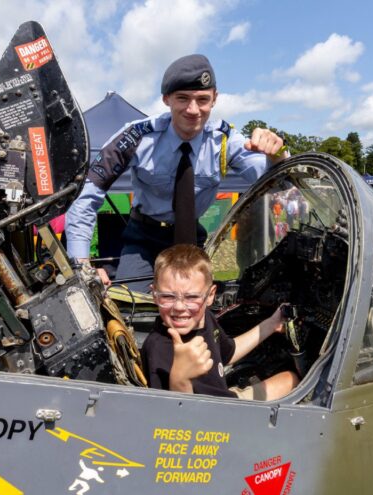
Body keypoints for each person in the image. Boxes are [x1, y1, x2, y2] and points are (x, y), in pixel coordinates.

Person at [65, 54, 289, 292]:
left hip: (191, 239)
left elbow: (274, 182)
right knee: (127, 308)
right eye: (183, 99)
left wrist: (277, 156)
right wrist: (80, 265)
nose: (193, 110)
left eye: (202, 99)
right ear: (166, 99)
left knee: (199, 310)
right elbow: (88, 192)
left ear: (214, 99)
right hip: (142, 239)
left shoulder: (225, 141)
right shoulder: (136, 136)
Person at [141, 244, 299, 400]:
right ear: (154, 294)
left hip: (225, 398)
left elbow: (229, 353)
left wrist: (272, 324)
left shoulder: (205, 318)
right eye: (168, 296)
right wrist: (180, 379)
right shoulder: (158, 349)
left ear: (210, 296)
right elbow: (176, 419)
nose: (179, 307)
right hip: (216, 417)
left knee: (291, 379)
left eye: (192, 297)